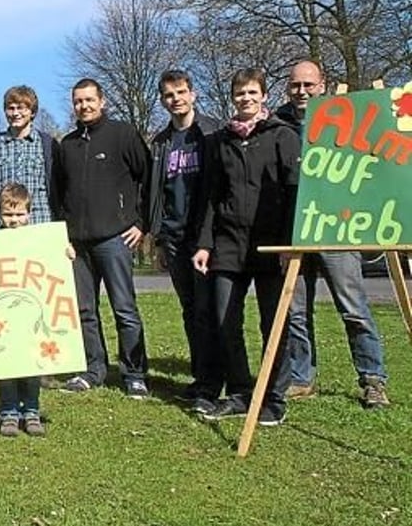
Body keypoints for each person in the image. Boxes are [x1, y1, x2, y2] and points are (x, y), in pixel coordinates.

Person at [278, 60, 389, 408]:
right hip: (294, 230)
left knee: (353, 308)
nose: (302, 92)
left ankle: (373, 380)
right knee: (296, 312)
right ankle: (301, 376)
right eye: (296, 85)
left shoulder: (345, 118)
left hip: (336, 229)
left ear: (322, 85)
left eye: (309, 85)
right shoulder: (276, 124)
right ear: (287, 88)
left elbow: (372, 166)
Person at [193, 68, 300, 427]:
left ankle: (274, 397)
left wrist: (288, 244)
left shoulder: (282, 136)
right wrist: (205, 244)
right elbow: (210, 196)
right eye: (240, 94)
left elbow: (294, 193)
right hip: (228, 245)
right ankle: (240, 392)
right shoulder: (220, 141)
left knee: (274, 324)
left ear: (264, 96)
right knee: (225, 321)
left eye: (253, 93)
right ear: (233, 98)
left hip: (271, 246)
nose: (246, 99)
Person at [53, 78, 152, 398]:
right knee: (84, 310)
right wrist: (62, 233)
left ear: (102, 101)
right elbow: (58, 193)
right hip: (77, 244)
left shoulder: (122, 134)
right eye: (78, 101)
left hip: (115, 238)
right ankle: (92, 369)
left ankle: (134, 372)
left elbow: (147, 177)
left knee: (124, 307)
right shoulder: (67, 144)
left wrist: (141, 222)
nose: (84, 106)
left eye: (89, 100)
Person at [146, 70, 223, 414]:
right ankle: (200, 377)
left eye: (180, 92)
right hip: (174, 236)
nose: (175, 99)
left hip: (204, 237)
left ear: (193, 94)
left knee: (209, 311)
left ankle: (213, 381)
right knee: (190, 310)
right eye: (168, 95)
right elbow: (158, 193)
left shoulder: (211, 133)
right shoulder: (161, 143)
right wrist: (158, 237)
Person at [0, 183, 64, 437]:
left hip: (32, 317)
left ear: (29, 214)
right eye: (9, 215)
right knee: (7, 367)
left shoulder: (39, 241)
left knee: (32, 366)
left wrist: (66, 252)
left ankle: (31, 411)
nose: (14, 220)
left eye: (20, 214)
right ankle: (9, 412)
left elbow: (55, 262)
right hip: (4, 319)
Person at [0, 85, 60, 228]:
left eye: (21, 108)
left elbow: (58, 184)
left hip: (41, 222)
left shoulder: (48, 144)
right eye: (11, 108)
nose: (15, 113)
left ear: (32, 112)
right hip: (2, 226)